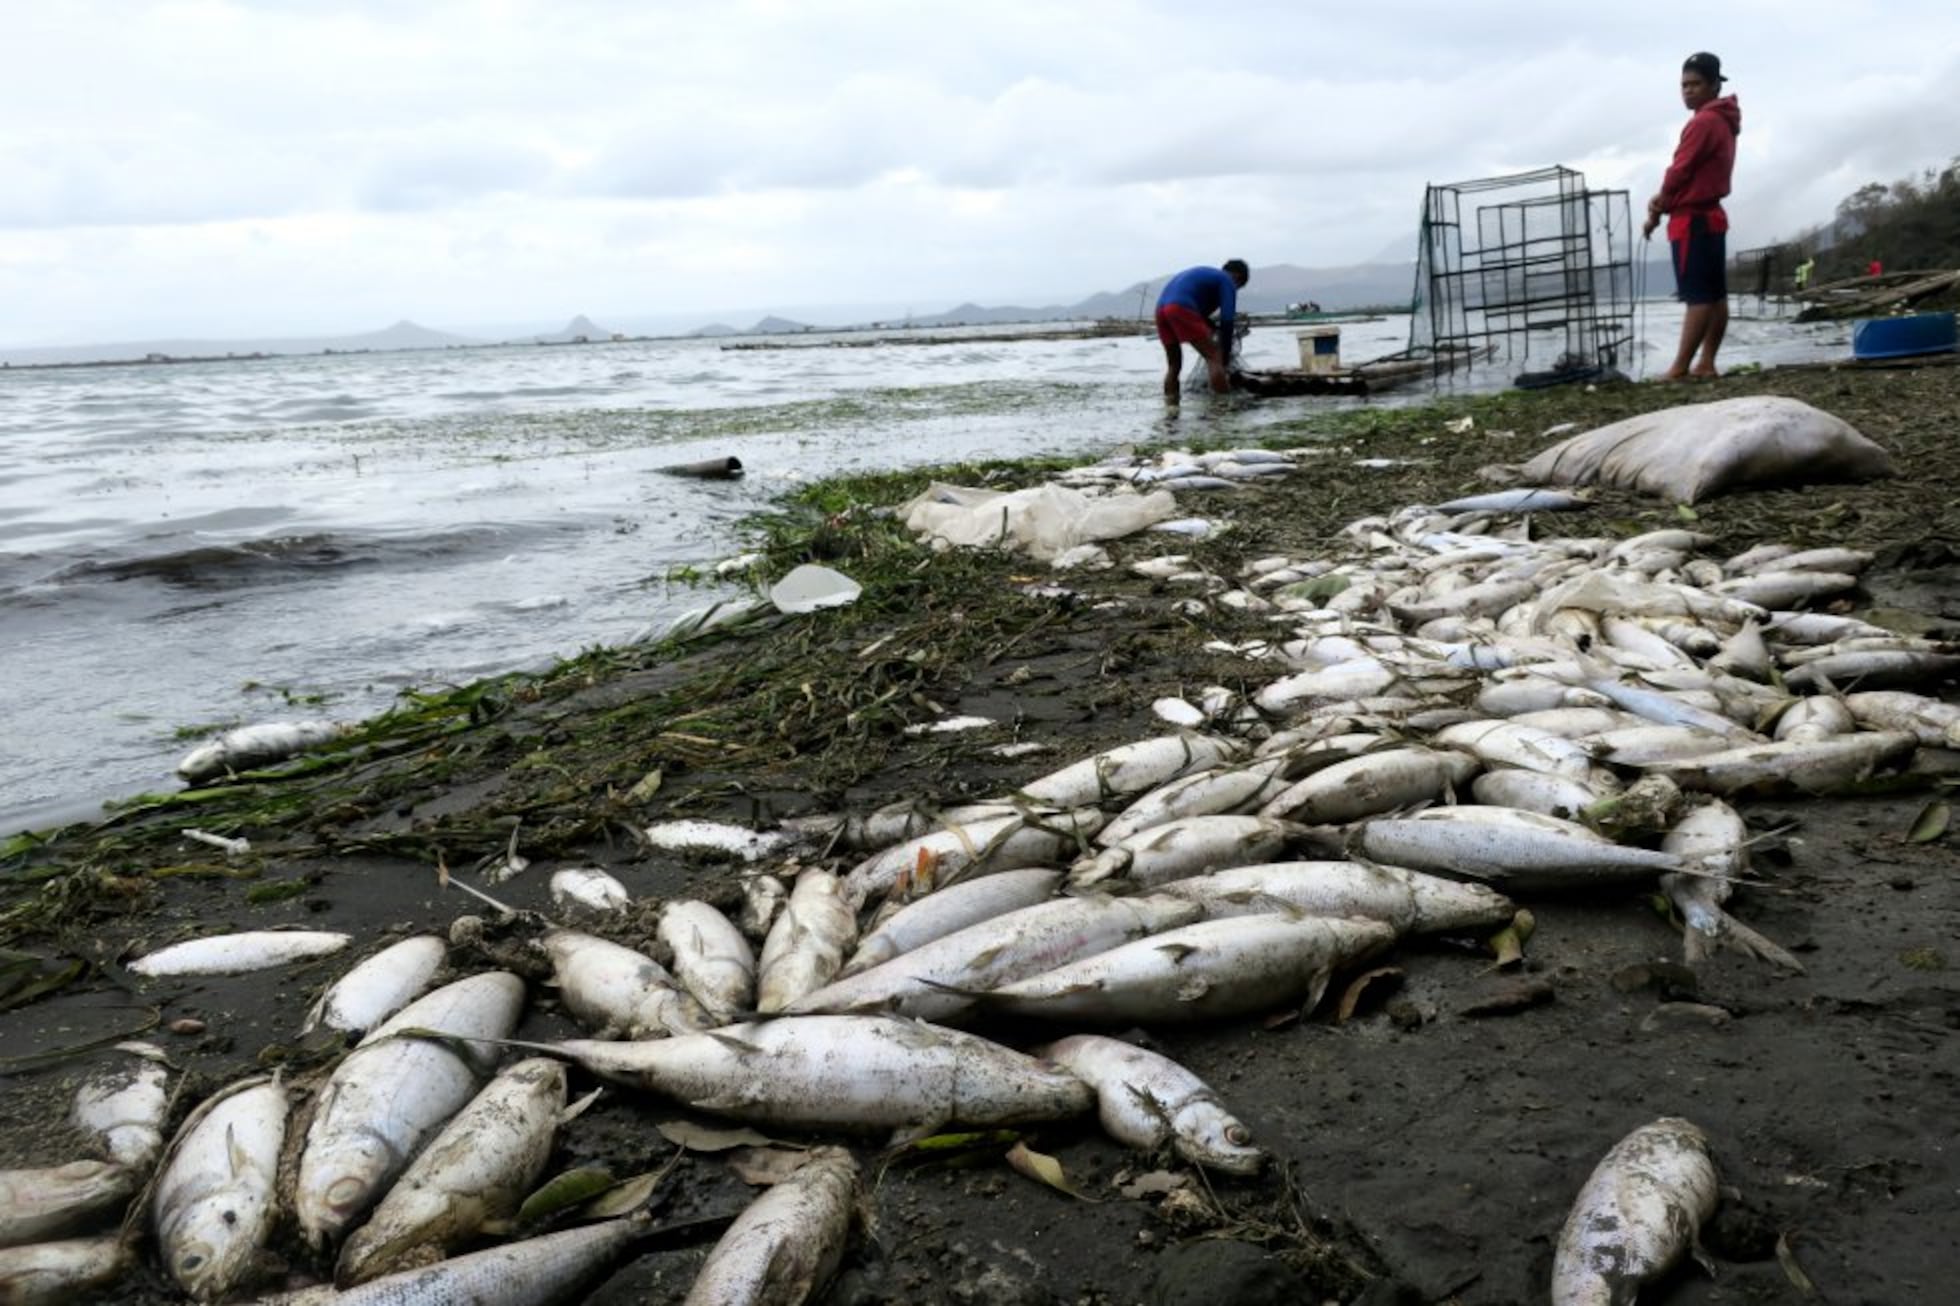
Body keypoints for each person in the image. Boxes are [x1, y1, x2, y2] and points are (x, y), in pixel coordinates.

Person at [1643, 52, 1741, 380]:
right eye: (1684, 85)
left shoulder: (1703, 122)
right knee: (1715, 294)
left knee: (1699, 297)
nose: (1688, 91)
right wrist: (1662, 202)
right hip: (1711, 215)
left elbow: (1679, 171)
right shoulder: (1723, 119)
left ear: (1714, 85)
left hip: (1694, 220)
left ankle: (1680, 367)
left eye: (1696, 84)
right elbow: (1690, 174)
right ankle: (1707, 362)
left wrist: (1659, 207)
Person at [1155, 259, 1250, 404]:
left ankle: (1171, 409)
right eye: (1239, 287)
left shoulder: (1207, 276)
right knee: (1214, 357)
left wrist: (1211, 327)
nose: (1235, 290)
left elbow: (1200, 314)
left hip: (1160, 310)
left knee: (1174, 365)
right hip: (1180, 307)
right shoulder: (1227, 280)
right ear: (1237, 277)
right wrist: (1225, 352)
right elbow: (1227, 320)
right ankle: (1222, 407)